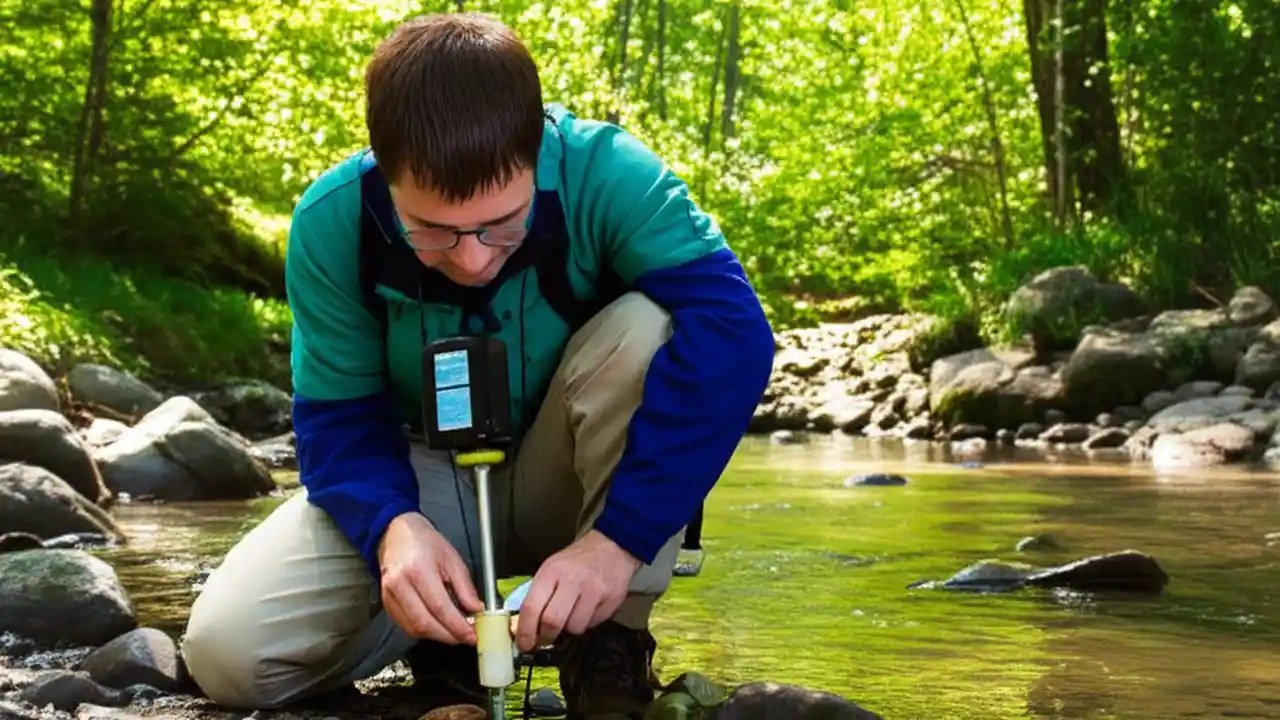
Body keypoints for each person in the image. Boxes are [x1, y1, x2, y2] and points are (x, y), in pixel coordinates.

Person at [179, 11, 774, 720]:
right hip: (425, 476)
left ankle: (608, 635)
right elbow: (337, 419)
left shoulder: (611, 175)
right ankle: (439, 639)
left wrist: (620, 544)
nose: (470, 258)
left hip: (577, 476)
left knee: (653, 326)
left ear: (535, 154)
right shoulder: (331, 223)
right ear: (383, 170)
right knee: (229, 658)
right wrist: (392, 528)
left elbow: (735, 334)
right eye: (432, 230)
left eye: (501, 224)